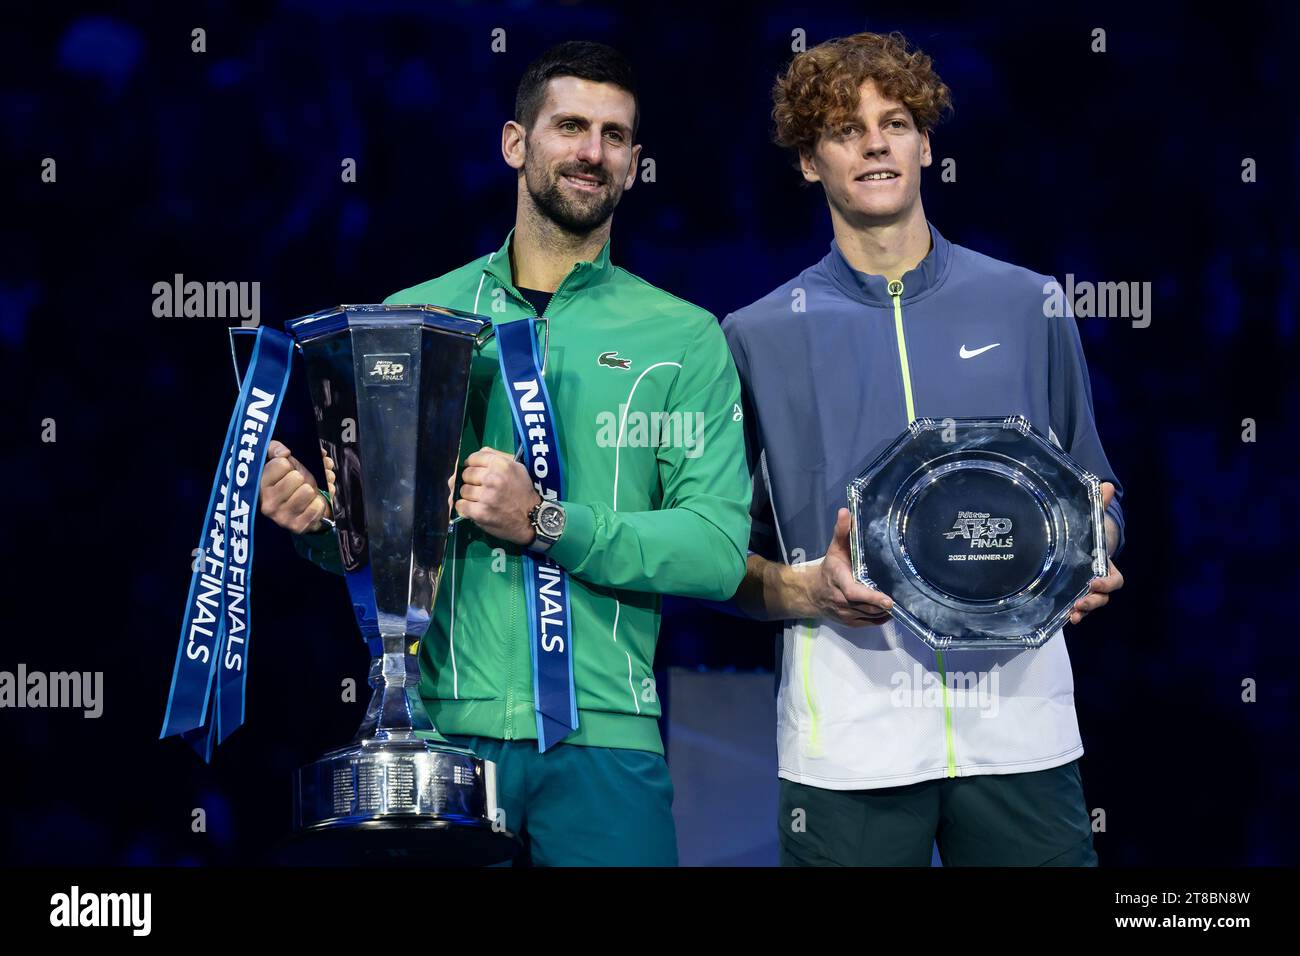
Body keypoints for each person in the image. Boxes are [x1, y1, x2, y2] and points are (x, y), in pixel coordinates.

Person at [259, 40, 751, 866]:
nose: (592, 151)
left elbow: (715, 551)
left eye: (615, 135)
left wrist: (547, 520)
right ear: (516, 144)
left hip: (608, 743)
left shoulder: (685, 336)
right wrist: (319, 522)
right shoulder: (414, 315)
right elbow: (385, 542)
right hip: (440, 737)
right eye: (569, 125)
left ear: (634, 163)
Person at [724, 30, 1126, 866]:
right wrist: (809, 590)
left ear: (925, 143)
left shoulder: (1028, 304)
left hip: (1022, 731)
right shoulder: (756, 335)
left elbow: (1095, 497)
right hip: (848, 742)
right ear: (809, 161)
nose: (875, 142)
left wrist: (1094, 554)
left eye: (896, 121)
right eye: (844, 129)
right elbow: (727, 566)